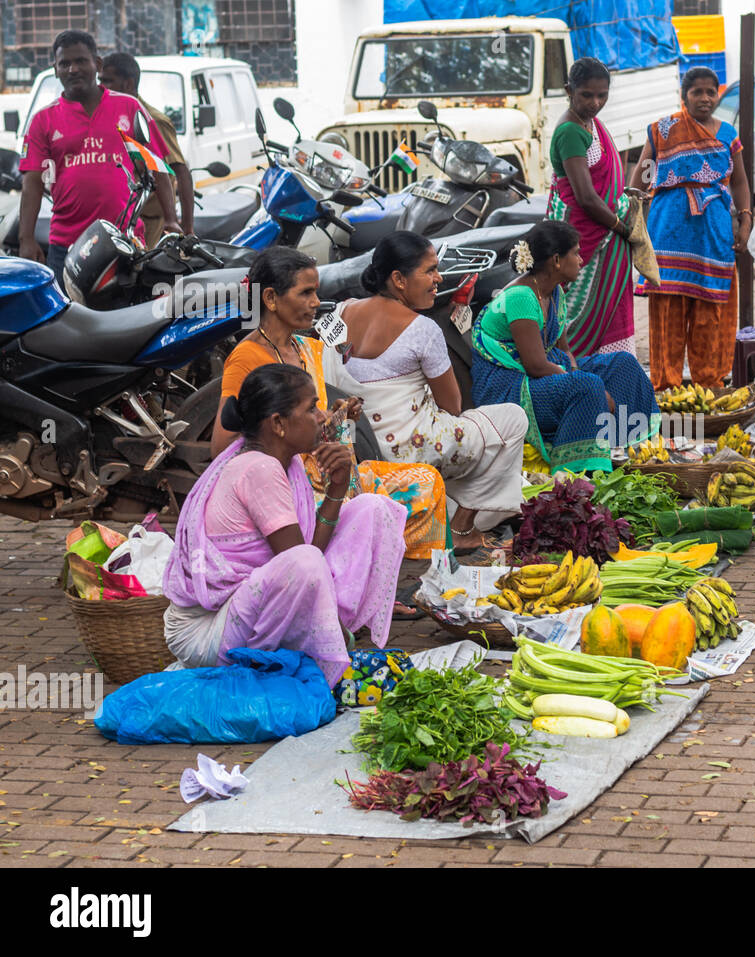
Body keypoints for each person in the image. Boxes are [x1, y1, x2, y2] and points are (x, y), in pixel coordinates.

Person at [211, 247, 449, 591]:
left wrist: (337, 417)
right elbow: (222, 445)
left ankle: (380, 586)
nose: (315, 302)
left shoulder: (306, 348)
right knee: (362, 513)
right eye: (305, 292)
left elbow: (310, 419)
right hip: (287, 486)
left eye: (316, 292)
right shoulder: (247, 357)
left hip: (327, 469)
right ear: (271, 298)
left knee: (426, 483)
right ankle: (353, 588)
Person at [162, 363, 408, 687]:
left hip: (243, 606)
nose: (321, 417)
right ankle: (320, 649)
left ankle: (325, 635)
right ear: (278, 423)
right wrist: (340, 646)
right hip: (206, 632)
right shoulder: (259, 469)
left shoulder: (286, 462)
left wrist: (337, 489)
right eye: (311, 408)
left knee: (372, 509)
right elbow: (303, 565)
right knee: (305, 564)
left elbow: (306, 558)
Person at [319, 232, 528, 549]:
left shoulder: (340, 312)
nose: (439, 278)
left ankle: (444, 515)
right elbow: (452, 408)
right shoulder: (422, 329)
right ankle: (462, 529)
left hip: (357, 444)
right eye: (429, 270)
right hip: (407, 450)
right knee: (511, 419)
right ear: (399, 279)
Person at [472, 220, 660, 473]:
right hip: (510, 386)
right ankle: (581, 468)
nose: (581, 259)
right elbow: (536, 365)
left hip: (542, 371)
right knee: (587, 386)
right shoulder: (521, 298)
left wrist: (575, 371)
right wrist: (582, 379)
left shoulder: (553, 291)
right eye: (576, 253)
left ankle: (626, 447)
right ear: (557, 260)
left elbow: (565, 349)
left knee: (622, 364)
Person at [17, 30, 180, 288]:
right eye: (65, 63)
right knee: (69, 323)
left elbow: (157, 167)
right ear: (55, 69)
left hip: (125, 241)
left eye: (81, 61)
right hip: (66, 244)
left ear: (97, 64)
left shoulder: (129, 107)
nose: (73, 69)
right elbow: (33, 183)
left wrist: (171, 219)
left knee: (131, 320)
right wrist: (26, 238)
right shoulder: (43, 120)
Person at [633, 66, 751, 391]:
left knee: (709, 316)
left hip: (712, 238)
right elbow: (642, 177)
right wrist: (635, 222)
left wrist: (745, 218)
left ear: (718, 95)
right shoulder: (663, 130)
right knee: (668, 317)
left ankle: (709, 388)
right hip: (668, 235)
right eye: (696, 92)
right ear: (684, 96)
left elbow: (740, 182)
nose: (704, 98)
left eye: (710, 92)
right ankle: (666, 390)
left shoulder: (728, 135)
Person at [546, 58, 638, 357]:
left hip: (605, 233)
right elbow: (585, 197)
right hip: (586, 235)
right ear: (568, 90)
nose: (595, 102)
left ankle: (613, 380)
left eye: (602, 95)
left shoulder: (591, 123)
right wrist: (624, 229)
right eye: (587, 95)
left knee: (611, 312)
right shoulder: (570, 131)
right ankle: (580, 378)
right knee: (575, 316)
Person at [100, 51, 195, 246]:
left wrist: (187, 229)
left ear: (128, 84)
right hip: (117, 221)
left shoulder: (151, 120)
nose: (101, 87)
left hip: (149, 223)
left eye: (107, 81)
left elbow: (181, 172)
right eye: (100, 80)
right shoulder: (107, 119)